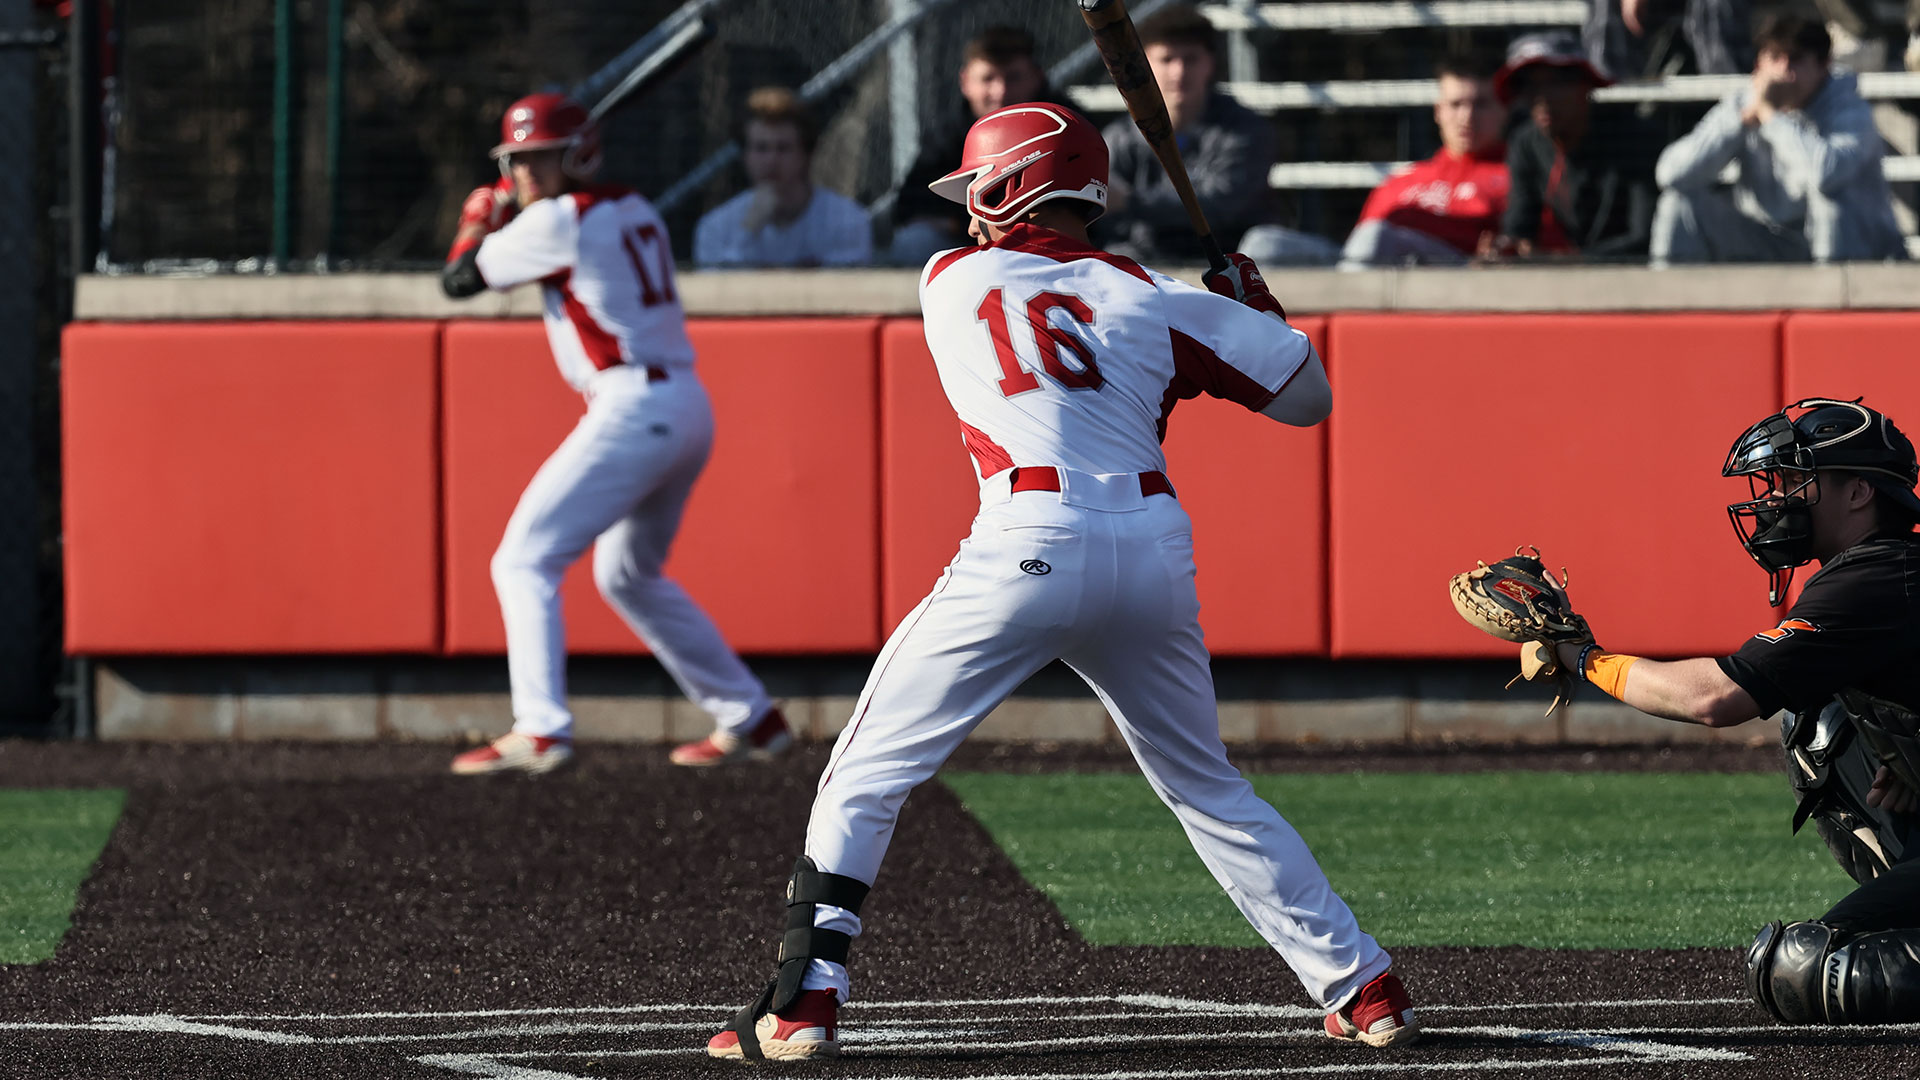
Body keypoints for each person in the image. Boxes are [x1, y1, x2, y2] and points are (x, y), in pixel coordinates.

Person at [703, 101, 1418, 1062]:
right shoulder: (1157, 298)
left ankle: (802, 1002)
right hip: (1154, 547)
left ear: (1015, 184)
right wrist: (1253, 308)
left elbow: (1047, 296)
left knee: (869, 770)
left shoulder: (948, 278)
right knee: (1205, 783)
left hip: (1025, 540)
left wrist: (1222, 310)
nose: (970, 214)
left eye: (981, 192)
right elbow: (1308, 399)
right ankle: (1363, 985)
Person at [1523, 397, 1920, 1024]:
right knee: (1817, 719)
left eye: (1797, 479)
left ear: (1859, 492)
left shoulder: (1876, 577)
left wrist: (1583, 657)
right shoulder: (1888, 571)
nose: (1775, 498)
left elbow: (1716, 699)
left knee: (1811, 968)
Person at [440, 92, 792, 774]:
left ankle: (541, 729)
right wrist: (511, 215)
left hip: (632, 405)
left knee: (522, 559)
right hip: (684, 403)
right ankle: (751, 716)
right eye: (519, 161)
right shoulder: (632, 204)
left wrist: (477, 220)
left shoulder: (558, 221)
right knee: (627, 574)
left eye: (541, 158)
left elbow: (457, 279)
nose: (528, 173)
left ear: (577, 154)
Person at [1651, 14, 1907, 266]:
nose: (1783, 71)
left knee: (1832, 202)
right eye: (1774, 58)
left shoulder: (1850, 109)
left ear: (1823, 65)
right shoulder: (1744, 103)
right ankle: (1667, 304)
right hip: (1765, 242)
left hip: (1855, 251)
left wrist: (1771, 117)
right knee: (1678, 203)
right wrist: (1738, 124)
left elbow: (1825, 175)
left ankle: (1832, 307)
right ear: (1759, 64)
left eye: (1796, 60)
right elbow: (1670, 174)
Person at [1097, 5, 1287, 265]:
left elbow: (1221, 206)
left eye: (1191, 58)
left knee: (1268, 246)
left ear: (1210, 62)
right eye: (1167, 59)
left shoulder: (1246, 129)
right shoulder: (1119, 137)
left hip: (1234, 262)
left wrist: (1129, 201)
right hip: (1149, 260)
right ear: (1143, 64)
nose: (1179, 71)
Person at [889, 26, 1070, 266]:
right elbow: (912, 203)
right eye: (988, 78)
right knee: (916, 241)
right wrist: (975, 222)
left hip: (1052, 244)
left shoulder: (1069, 125)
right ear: (965, 82)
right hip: (965, 240)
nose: (1000, 92)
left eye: (1013, 77)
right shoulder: (947, 134)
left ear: (1037, 77)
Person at [1485, 31, 1660, 261]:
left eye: (1555, 83)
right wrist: (1507, 248)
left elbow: (1644, 238)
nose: (1542, 98)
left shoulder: (1634, 138)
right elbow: (1520, 226)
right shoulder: (1525, 144)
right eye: (1528, 86)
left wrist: (1568, 261)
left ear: (1584, 86)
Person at [1340, 55, 1510, 268]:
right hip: (1386, 290)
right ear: (1438, 111)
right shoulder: (1400, 182)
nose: (1467, 117)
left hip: (1466, 281)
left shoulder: (1519, 179)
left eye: (1481, 104)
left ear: (1504, 109)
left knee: (1376, 237)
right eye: (1456, 104)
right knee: (1284, 246)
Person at [692, 87, 873, 268]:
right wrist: (747, 231)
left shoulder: (847, 220)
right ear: (745, 155)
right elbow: (718, 290)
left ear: (806, 154)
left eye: (783, 148)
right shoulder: (714, 228)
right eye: (761, 148)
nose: (772, 160)